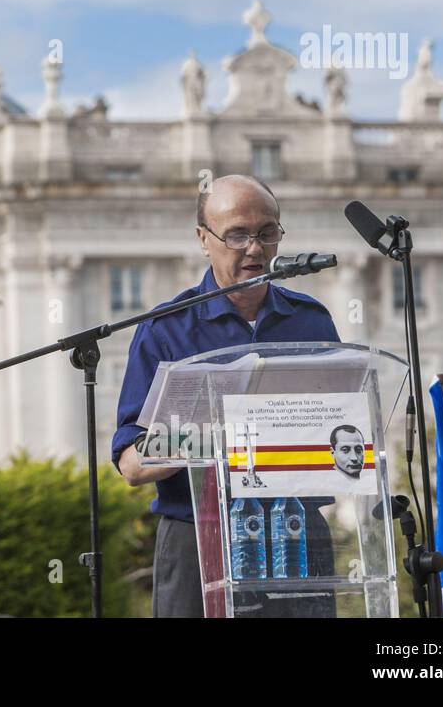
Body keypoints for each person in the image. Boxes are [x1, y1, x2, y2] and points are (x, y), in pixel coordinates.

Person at [112, 174, 341, 617]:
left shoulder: (312, 323)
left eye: (267, 233)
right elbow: (131, 464)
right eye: (237, 234)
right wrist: (217, 436)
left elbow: (341, 431)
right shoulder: (167, 329)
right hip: (197, 537)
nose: (255, 248)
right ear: (204, 239)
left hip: (296, 534)